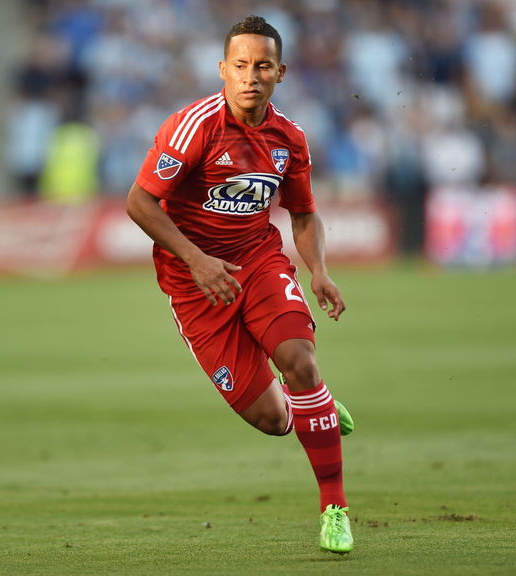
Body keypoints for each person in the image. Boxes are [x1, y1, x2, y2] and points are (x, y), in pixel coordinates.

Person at [126, 15, 354, 554]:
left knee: (299, 359)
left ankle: (335, 509)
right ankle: (314, 405)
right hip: (193, 282)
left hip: (257, 261)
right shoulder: (193, 126)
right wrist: (196, 259)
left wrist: (318, 268)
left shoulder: (289, 137)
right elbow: (139, 202)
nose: (251, 76)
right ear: (223, 69)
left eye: (263, 66)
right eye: (241, 65)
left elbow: (303, 213)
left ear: (281, 72)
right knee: (275, 419)